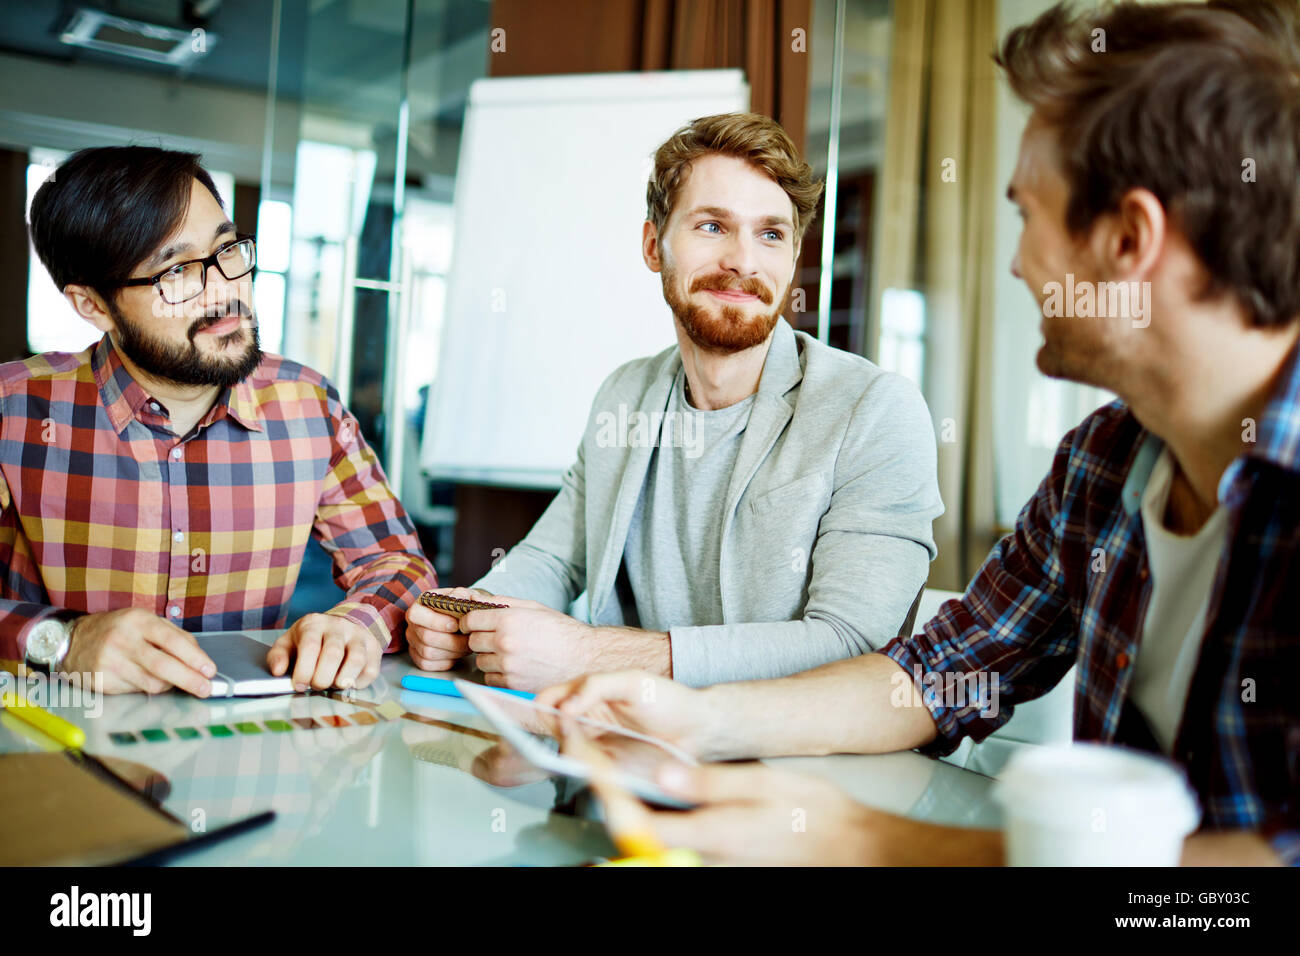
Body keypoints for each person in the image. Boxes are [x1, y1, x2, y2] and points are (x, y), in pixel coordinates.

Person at [537, 0, 1300, 865]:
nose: (1015, 262)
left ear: (1129, 239)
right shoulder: (1102, 466)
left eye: (1026, 214)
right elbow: (934, 677)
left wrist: (870, 842)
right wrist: (698, 716)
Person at [406, 112, 943, 692]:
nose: (743, 260)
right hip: (628, 752)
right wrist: (469, 614)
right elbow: (556, 560)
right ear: (653, 245)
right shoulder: (625, 394)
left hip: (788, 766)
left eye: (771, 234)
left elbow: (853, 644)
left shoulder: (875, 410)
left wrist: (592, 654)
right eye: (712, 226)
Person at [3, 146, 436, 696]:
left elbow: (396, 563)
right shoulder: (13, 411)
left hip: (248, 751)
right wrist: (62, 641)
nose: (226, 291)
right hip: (57, 749)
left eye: (227, 249)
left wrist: (355, 625)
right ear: (94, 306)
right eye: (178, 271)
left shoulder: (307, 406)